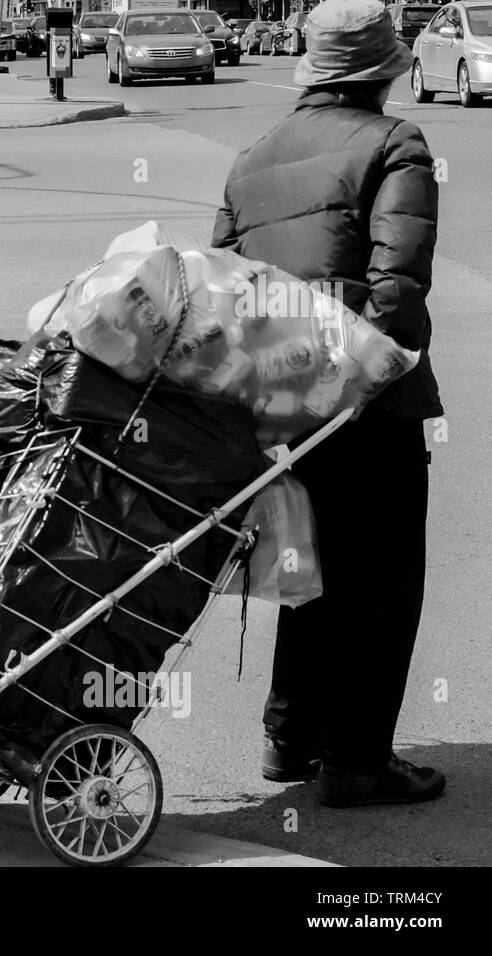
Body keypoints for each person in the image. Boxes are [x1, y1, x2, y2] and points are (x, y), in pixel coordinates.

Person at [212, 0, 445, 808]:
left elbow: (223, 291)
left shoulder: (252, 158)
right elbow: (397, 287)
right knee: (382, 583)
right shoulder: (394, 143)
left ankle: (289, 739)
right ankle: (355, 759)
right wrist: (355, 383)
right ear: (381, 75)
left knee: (310, 568)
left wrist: (279, 395)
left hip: (280, 405)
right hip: (367, 403)